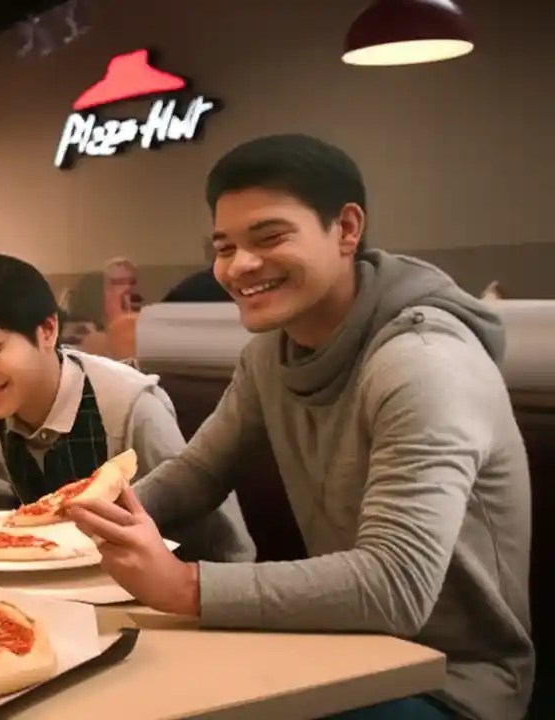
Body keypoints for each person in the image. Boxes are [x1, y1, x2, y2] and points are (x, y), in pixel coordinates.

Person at [68, 134, 532, 719]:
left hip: (453, 682)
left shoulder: (423, 362)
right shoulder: (272, 351)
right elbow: (201, 471)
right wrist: (75, 527)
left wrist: (185, 585)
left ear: (346, 229)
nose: (239, 266)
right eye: (225, 246)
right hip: (337, 648)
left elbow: (397, 585)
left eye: (269, 237)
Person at [0, 254, 255, 563]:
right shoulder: (9, 405)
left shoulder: (132, 407)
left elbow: (217, 536)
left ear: (47, 330)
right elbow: (6, 499)